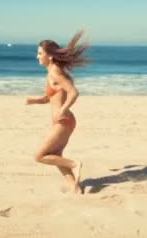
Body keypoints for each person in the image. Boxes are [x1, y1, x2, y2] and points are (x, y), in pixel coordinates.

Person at [26, 30, 90, 194]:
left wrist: (63, 109)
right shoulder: (52, 72)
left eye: (40, 53)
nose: (37, 57)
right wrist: (35, 101)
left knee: (40, 156)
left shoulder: (55, 72)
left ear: (50, 56)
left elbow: (73, 92)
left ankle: (75, 164)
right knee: (56, 156)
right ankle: (74, 188)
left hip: (63, 121)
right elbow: (51, 97)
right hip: (63, 121)